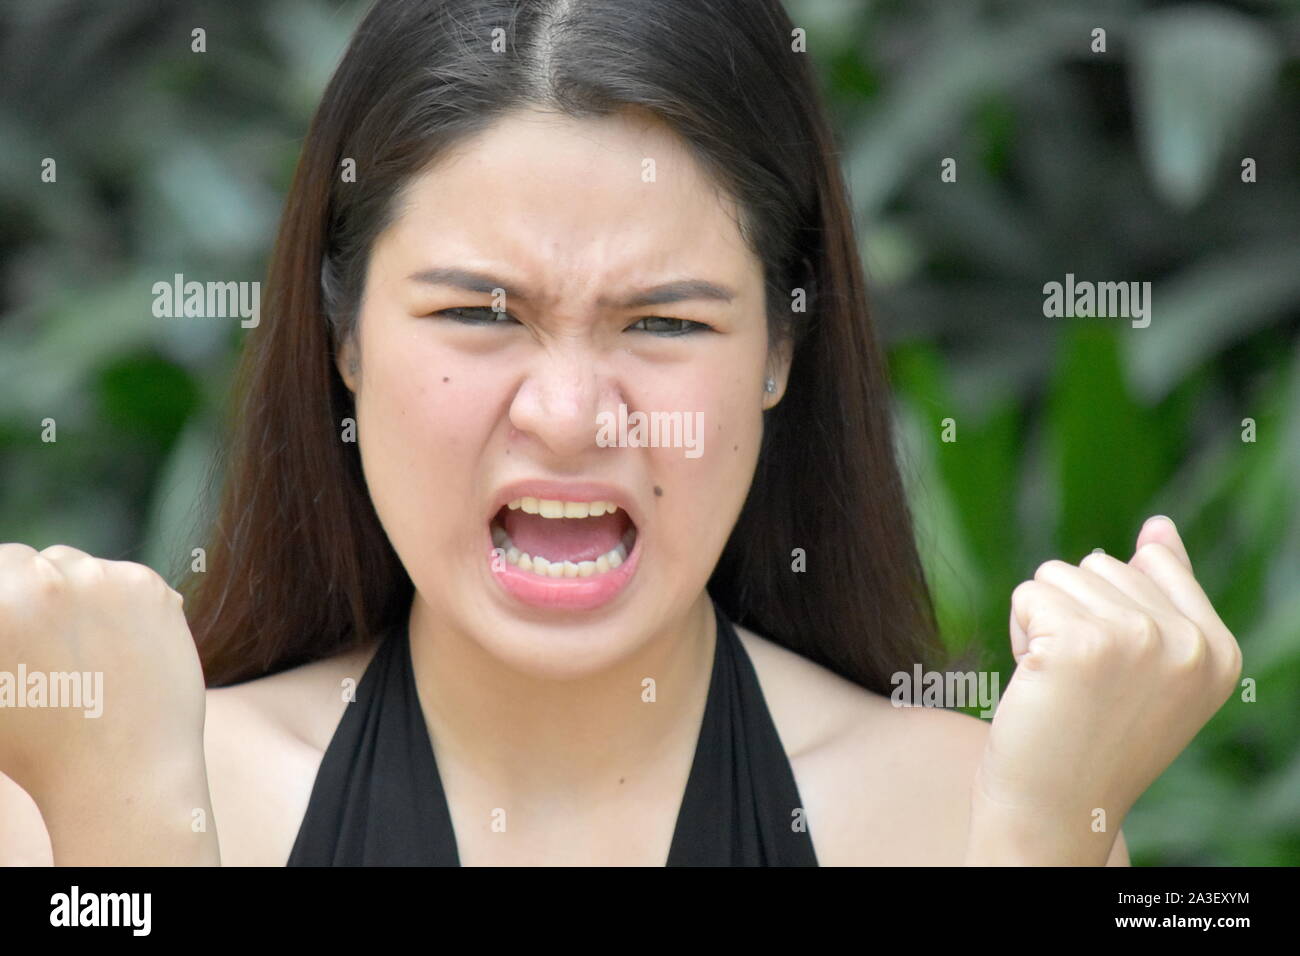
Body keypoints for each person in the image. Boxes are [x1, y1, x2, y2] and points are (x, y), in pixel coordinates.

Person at [0, 0, 1240, 866]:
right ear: (344, 339)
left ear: (779, 350)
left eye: (662, 321)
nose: (568, 413)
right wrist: (135, 827)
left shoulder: (963, 812)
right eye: (481, 311)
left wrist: (1046, 838)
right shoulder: (95, 782)